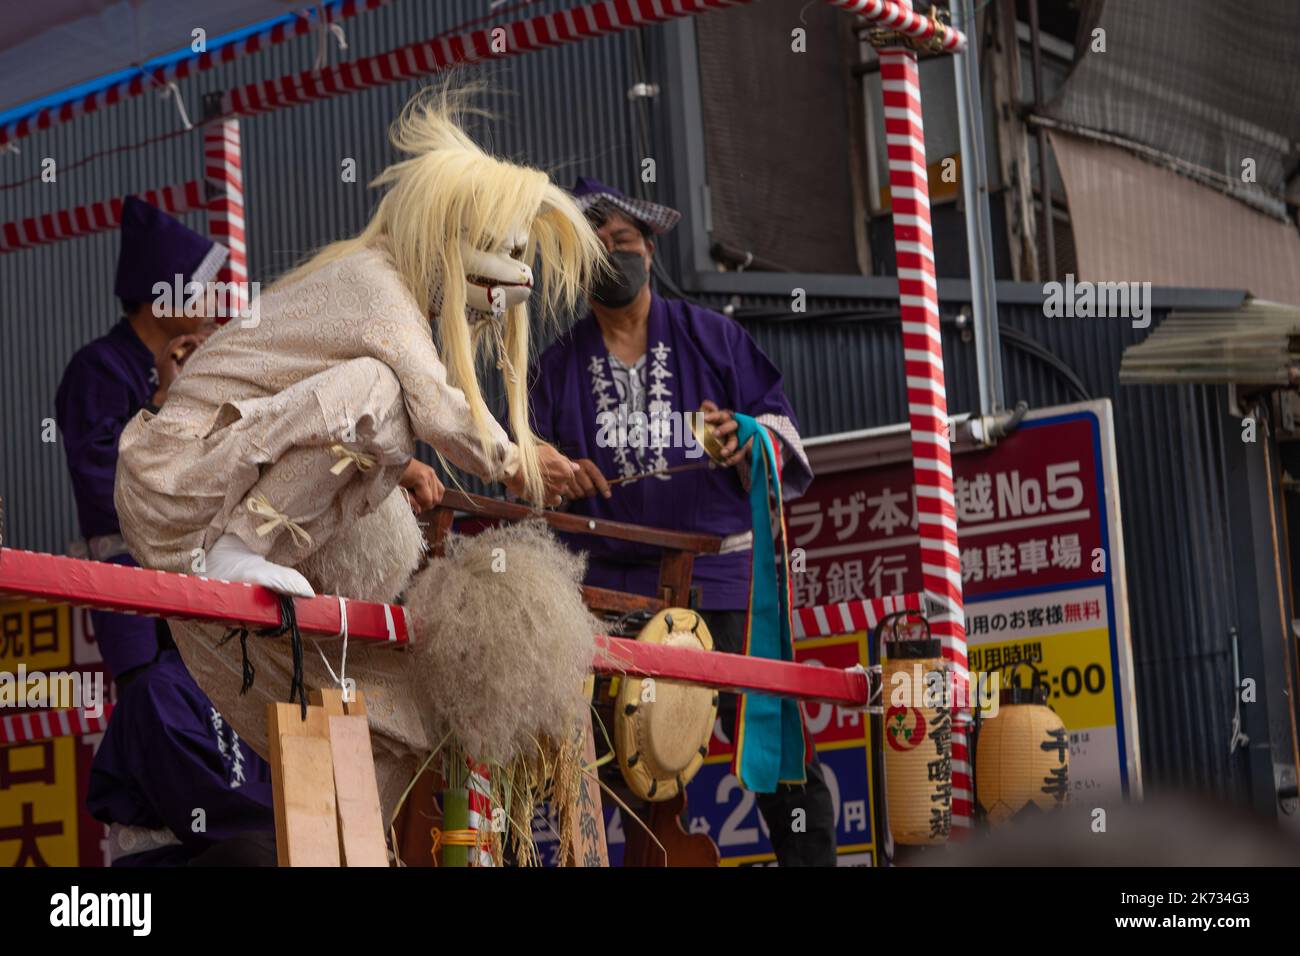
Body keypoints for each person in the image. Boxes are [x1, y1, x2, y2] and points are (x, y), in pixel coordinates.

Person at [111, 87, 603, 822]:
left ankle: (257, 552)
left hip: (204, 480)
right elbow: (436, 407)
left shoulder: (384, 294)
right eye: (503, 251)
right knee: (384, 397)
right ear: (454, 234)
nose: (513, 277)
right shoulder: (379, 290)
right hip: (180, 480)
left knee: (387, 424)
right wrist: (521, 458)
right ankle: (246, 544)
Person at [527, 177, 838, 866]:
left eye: (624, 242)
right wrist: (547, 468)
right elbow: (522, 468)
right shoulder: (552, 369)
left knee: (777, 753)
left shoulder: (715, 338)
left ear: (650, 248)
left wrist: (745, 440)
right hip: (609, 591)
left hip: (724, 579)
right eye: (595, 246)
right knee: (615, 765)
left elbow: (786, 436)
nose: (613, 255)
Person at [54, 196, 276, 865]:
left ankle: (229, 837)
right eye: (201, 288)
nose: (213, 301)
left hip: (203, 578)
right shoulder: (96, 370)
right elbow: (113, 492)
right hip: (136, 587)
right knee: (162, 712)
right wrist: (163, 402)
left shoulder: (190, 366)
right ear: (161, 299)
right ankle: (171, 846)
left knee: (219, 708)